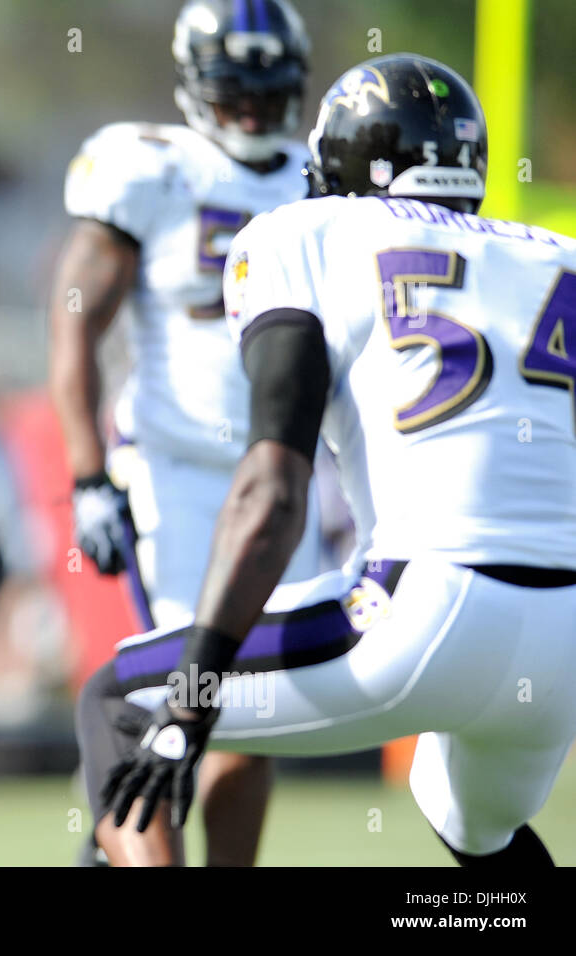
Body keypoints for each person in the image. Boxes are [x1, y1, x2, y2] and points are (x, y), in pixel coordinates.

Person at [83, 53, 574, 867]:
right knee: (473, 830)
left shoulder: (307, 234)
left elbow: (273, 490)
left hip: (425, 606)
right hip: (561, 640)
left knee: (115, 700)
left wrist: (191, 700)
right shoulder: (551, 255)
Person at [50, 0, 322, 866]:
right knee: (169, 689)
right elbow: (72, 324)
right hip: (174, 473)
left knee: (256, 710)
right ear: (193, 83)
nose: (250, 107)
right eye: (232, 87)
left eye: (267, 88)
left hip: (286, 477)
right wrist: (90, 474)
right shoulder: (152, 168)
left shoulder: (321, 181)